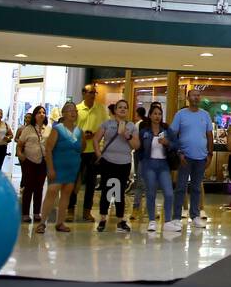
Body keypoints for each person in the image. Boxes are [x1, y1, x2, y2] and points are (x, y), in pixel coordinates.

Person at [93, 99, 139, 233]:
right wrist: (98, 154)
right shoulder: (107, 124)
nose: (123, 109)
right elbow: (96, 139)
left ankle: (120, 220)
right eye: (120, 107)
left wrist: (126, 134)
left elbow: (136, 146)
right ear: (115, 110)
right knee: (107, 190)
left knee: (119, 192)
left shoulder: (131, 126)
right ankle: (102, 219)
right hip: (107, 161)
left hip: (124, 163)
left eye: (125, 107)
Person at [38, 101, 83, 234]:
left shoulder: (79, 131)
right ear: (63, 114)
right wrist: (50, 168)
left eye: (75, 110)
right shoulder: (57, 129)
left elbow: (81, 148)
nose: (73, 113)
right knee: (52, 191)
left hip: (73, 167)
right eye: (69, 110)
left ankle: (60, 222)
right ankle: (42, 222)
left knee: (67, 192)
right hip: (58, 166)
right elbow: (48, 149)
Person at [171, 88, 214, 223]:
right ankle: (177, 217)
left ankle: (195, 215)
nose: (196, 97)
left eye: (198, 95)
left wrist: (210, 154)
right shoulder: (180, 114)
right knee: (180, 187)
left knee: (196, 188)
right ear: (188, 98)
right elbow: (173, 134)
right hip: (185, 157)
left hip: (201, 157)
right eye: (194, 95)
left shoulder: (205, 115)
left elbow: (209, 135)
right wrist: (178, 152)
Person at [69, 82, 109, 220]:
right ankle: (70, 209)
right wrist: (81, 136)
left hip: (93, 151)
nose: (93, 95)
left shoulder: (101, 109)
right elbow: (70, 127)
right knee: (74, 181)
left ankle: (87, 210)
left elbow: (106, 126)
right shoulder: (77, 109)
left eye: (94, 93)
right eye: (90, 92)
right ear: (83, 94)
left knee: (91, 183)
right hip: (78, 150)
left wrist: (97, 134)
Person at [138, 103, 180, 232]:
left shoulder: (166, 130)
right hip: (149, 164)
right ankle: (151, 220)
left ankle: (167, 221)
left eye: (160, 114)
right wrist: (141, 161)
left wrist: (168, 143)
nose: (157, 116)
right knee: (151, 193)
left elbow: (177, 144)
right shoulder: (144, 132)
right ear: (150, 116)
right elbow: (138, 147)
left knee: (168, 193)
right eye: (155, 114)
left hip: (163, 165)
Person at [16, 106, 48, 223]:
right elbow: (19, 145)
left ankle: (36, 213)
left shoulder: (47, 129)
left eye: (43, 112)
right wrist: (21, 155)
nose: (41, 114)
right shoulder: (28, 129)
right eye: (39, 112)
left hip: (43, 162)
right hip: (29, 160)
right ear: (35, 115)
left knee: (39, 187)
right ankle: (25, 213)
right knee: (28, 187)